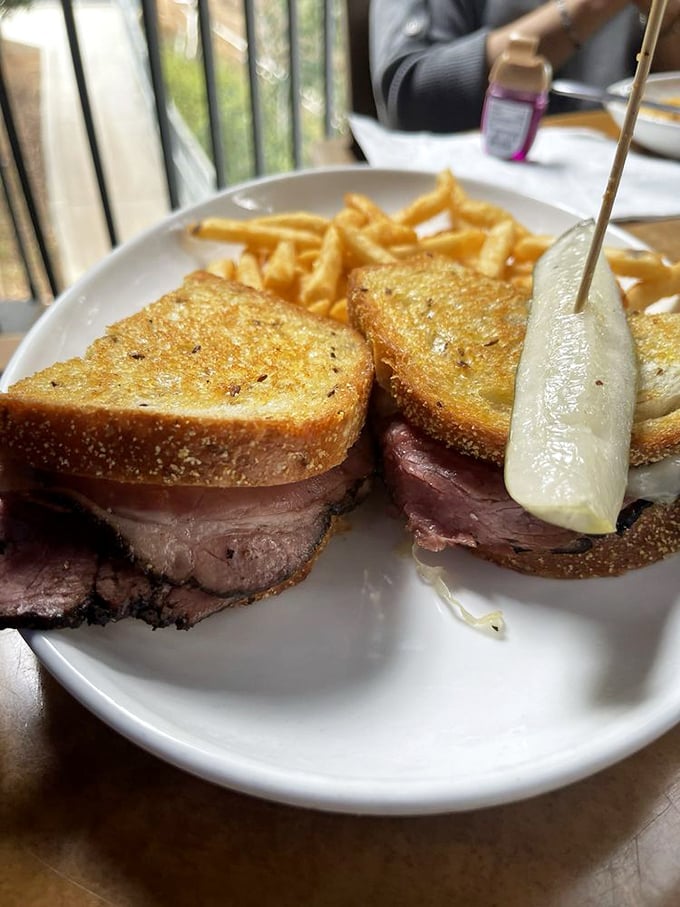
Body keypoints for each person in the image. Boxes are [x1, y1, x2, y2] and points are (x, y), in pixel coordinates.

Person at [370, 0, 680, 132]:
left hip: (629, 199)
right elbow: (409, 96)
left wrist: (666, 18)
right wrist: (590, 7)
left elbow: (664, 101)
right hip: (471, 197)